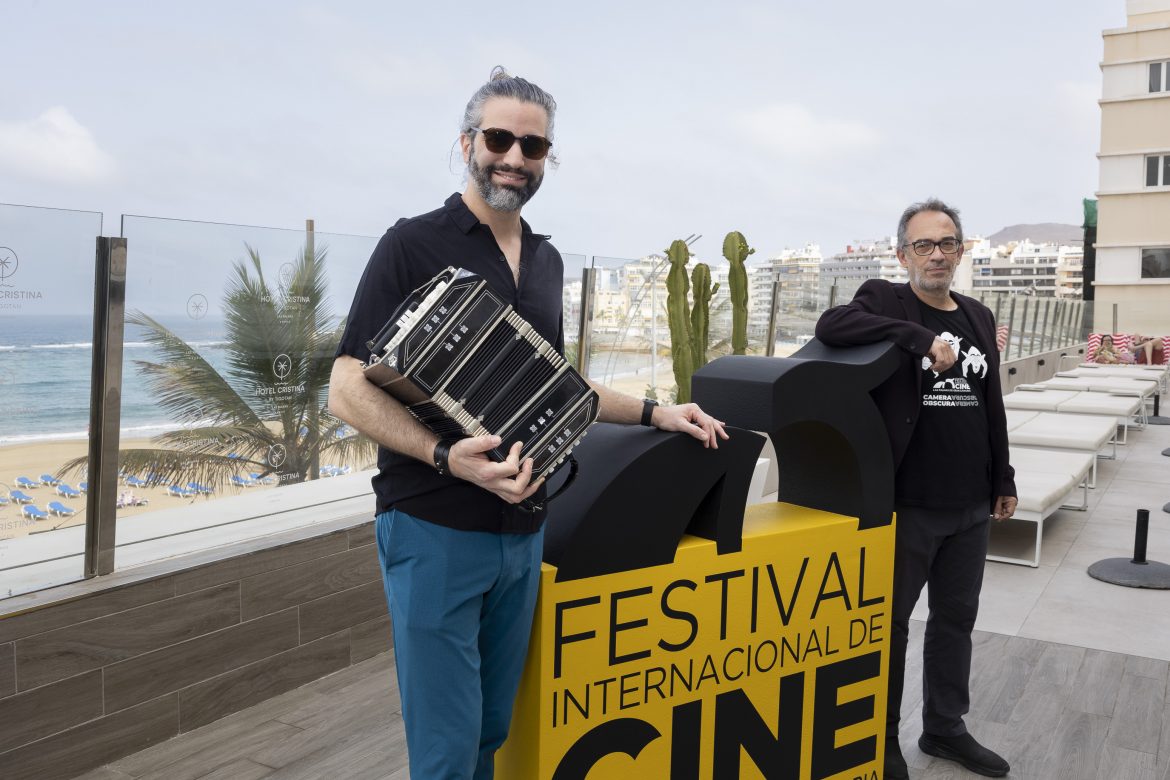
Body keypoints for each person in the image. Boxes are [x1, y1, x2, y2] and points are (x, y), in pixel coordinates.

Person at [327, 67, 728, 780]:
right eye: (499, 138)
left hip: (525, 531)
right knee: (447, 750)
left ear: (549, 158)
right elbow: (346, 389)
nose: (514, 158)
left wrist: (657, 412)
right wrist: (448, 456)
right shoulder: (410, 244)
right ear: (466, 143)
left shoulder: (546, 260)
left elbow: (558, 388)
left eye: (533, 146)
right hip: (435, 526)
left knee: (489, 731)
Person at [816, 198, 1016, 779]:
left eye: (947, 243)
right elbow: (834, 325)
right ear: (903, 252)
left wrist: (1001, 477)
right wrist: (915, 337)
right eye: (923, 245)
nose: (936, 254)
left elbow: (991, 403)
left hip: (970, 504)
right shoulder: (886, 298)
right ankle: (878, 741)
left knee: (956, 622)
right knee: (892, 627)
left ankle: (945, 728)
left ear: (961, 249)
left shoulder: (978, 315)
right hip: (907, 503)